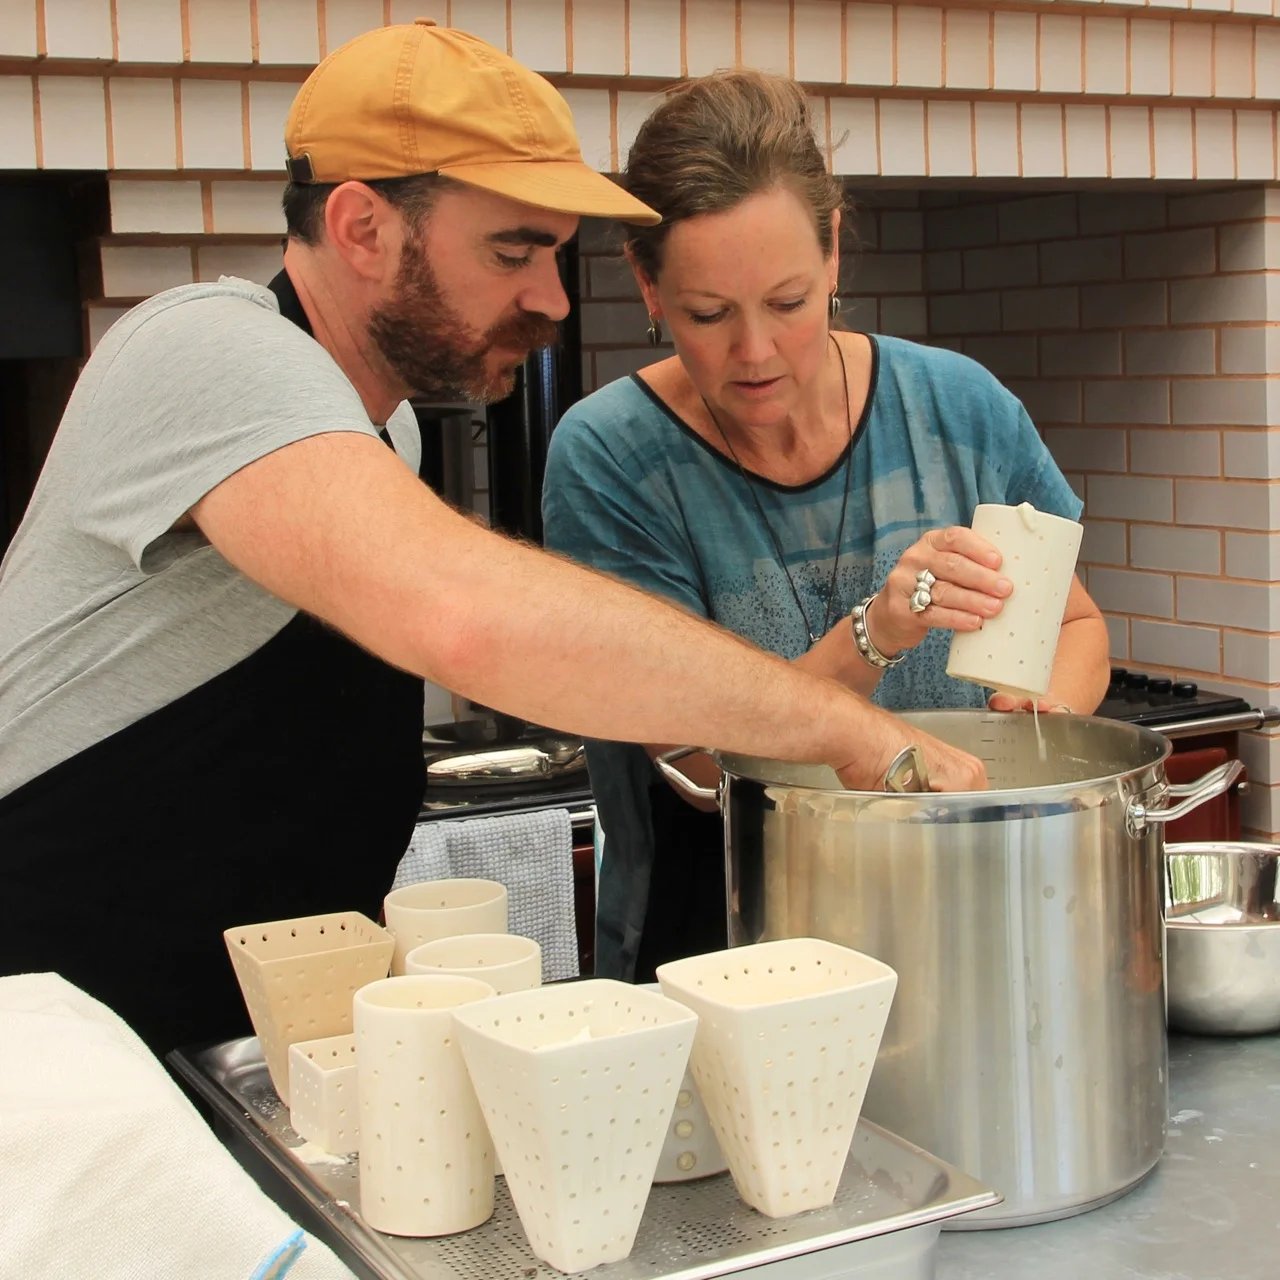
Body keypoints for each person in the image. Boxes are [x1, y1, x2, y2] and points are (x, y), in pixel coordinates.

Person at [0, 27, 986, 1053]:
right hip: (45, 1037)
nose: (552, 301)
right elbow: (467, 618)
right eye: (512, 251)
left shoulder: (384, 427)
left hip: (224, 1045)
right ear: (361, 227)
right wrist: (854, 730)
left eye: (554, 254)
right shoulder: (203, 348)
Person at [542, 70, 1110, 983]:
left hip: (968, 930)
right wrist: (876, 633)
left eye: (789, 300)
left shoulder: (958, 407)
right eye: (708, 314)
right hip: (723, 953)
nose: (756, 350)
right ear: (647, 286)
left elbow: (1076, 627)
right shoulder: (612, 458)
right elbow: (695, 759)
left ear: (835, 250)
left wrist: (1043, 716)